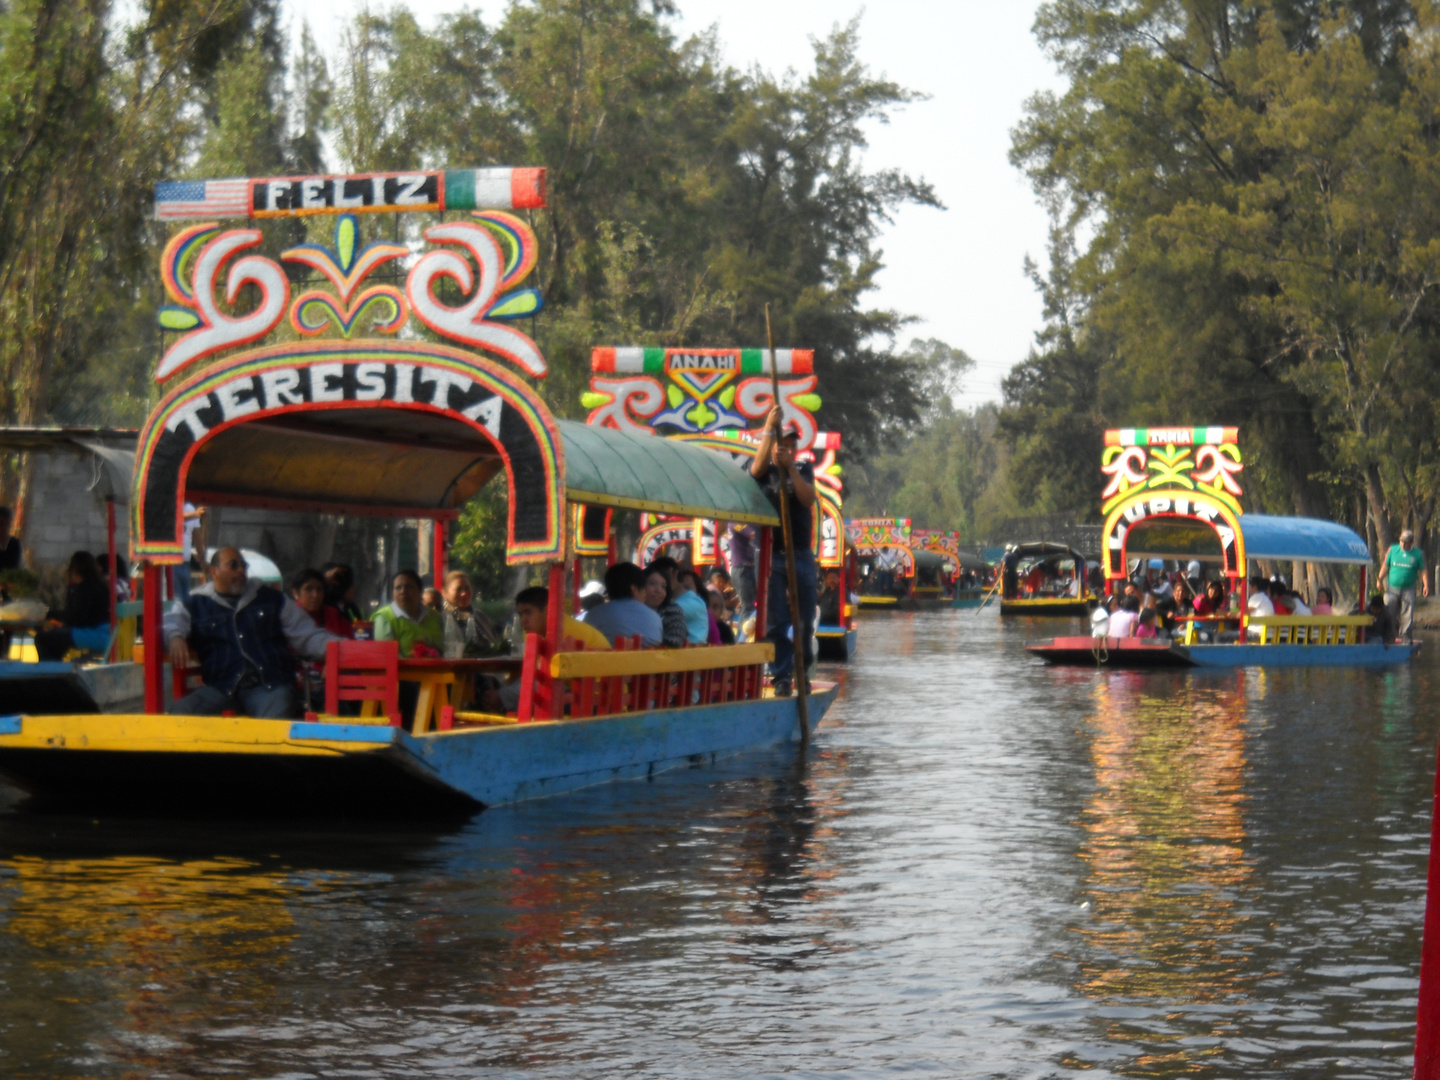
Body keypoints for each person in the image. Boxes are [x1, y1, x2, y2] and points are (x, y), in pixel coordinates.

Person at [164, 547, 339, 717]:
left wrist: (337, 651)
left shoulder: (271, 598)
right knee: (180, 714)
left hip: (269, 686)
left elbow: (307, 635)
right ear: (213, 571)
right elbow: (171, 620)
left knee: (273, 722)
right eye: (233, 565)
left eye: (243, 565)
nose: (241, 570)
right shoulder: (195, 602)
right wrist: (175, 636)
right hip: (221, 688)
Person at [749, 406, 817, 696]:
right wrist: (768, 427)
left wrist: (790, 466)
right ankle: (780, 677)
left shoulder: (803, 468)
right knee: (776, 618)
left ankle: (802, 672)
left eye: (791, 444)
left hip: (799, 552)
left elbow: (807, 499)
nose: (787, 448)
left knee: (802, 619)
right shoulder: (764, 471)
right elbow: (755, 469)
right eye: (783, 444)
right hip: (770, 553)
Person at [484, 585, 611, 714]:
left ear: (548, 611)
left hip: (596, 702)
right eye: (521, 614)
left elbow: (541, 678)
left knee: (532, 707)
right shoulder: (539, 631)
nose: (524, 620)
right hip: (592, 696)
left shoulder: (560, 631)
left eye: (528, 612)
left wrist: (502, 696)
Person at [289, 567, 353, 707]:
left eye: (319, 590)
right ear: (295, 592)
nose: (315, 595)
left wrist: (333, 662)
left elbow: (351, 647)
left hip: (334, 681)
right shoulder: (287, 617)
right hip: (295, 683)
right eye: (309, 589)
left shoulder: (334, 615)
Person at [34, 551, 112, 660]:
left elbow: (77, 618)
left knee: (42, 638)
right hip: (108, 633)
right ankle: (56, 670)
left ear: (74, 570)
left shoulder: (85, 587)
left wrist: (50, 615)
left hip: (95, 635)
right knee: (55, 638)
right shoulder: (101, 585)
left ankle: (52, 673)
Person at [582, 562, 664, 647]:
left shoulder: (593, 615)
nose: (645, 594)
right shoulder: (655, 618)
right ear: (634, 589)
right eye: (643, 589)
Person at [372, 569, 445, 658]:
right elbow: (386, 656)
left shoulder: (434, 616)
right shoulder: (384, 618)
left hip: (436, 670)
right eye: (398, 588)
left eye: (409, 587)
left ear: (420, 592)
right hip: (401, 671)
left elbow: (444, 649)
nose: (403, 592)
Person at [1379, 528, 1429, 643]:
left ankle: (1406, 637)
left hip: (1409, 588)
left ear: (1411, 542)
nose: (1402, 544)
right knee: (1388, 610)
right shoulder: (1393, 550)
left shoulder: (1418, 554)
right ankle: (1388, 636)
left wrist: (1426, 585)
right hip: (1392, 588)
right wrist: (1379, 579)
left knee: (1407, 613)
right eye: (1401, 541)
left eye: (1405, 542)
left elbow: (1424, 571)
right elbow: (1386, 566)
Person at [439, 569, 501, 658]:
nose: (464, 593)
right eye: (458, 589)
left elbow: (494, 643)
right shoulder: (441, 617)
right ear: (444, 593)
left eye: (467, 588)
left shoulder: (480, 616)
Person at [645, 557, 689, 648]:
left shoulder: (673, 609)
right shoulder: (633, 609)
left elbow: (675, 641)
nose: (658, 590)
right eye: (652, 584)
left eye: (663, 586)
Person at [727, 523, 758, 619]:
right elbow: (753, 534)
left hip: (751, 568)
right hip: (742, 569)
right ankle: (743, 634)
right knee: (748, 607)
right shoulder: (735, 520)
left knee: (751, 607)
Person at [674, 566, 711, 644]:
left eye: (687, 588)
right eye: (679, 586)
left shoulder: (696, 604)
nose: (681, 589)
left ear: (698, 593)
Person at [0, 506, 21, 571]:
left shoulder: (15, 543)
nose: (4, 528)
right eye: (1, 524)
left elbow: (16, 567)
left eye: (7, 525)